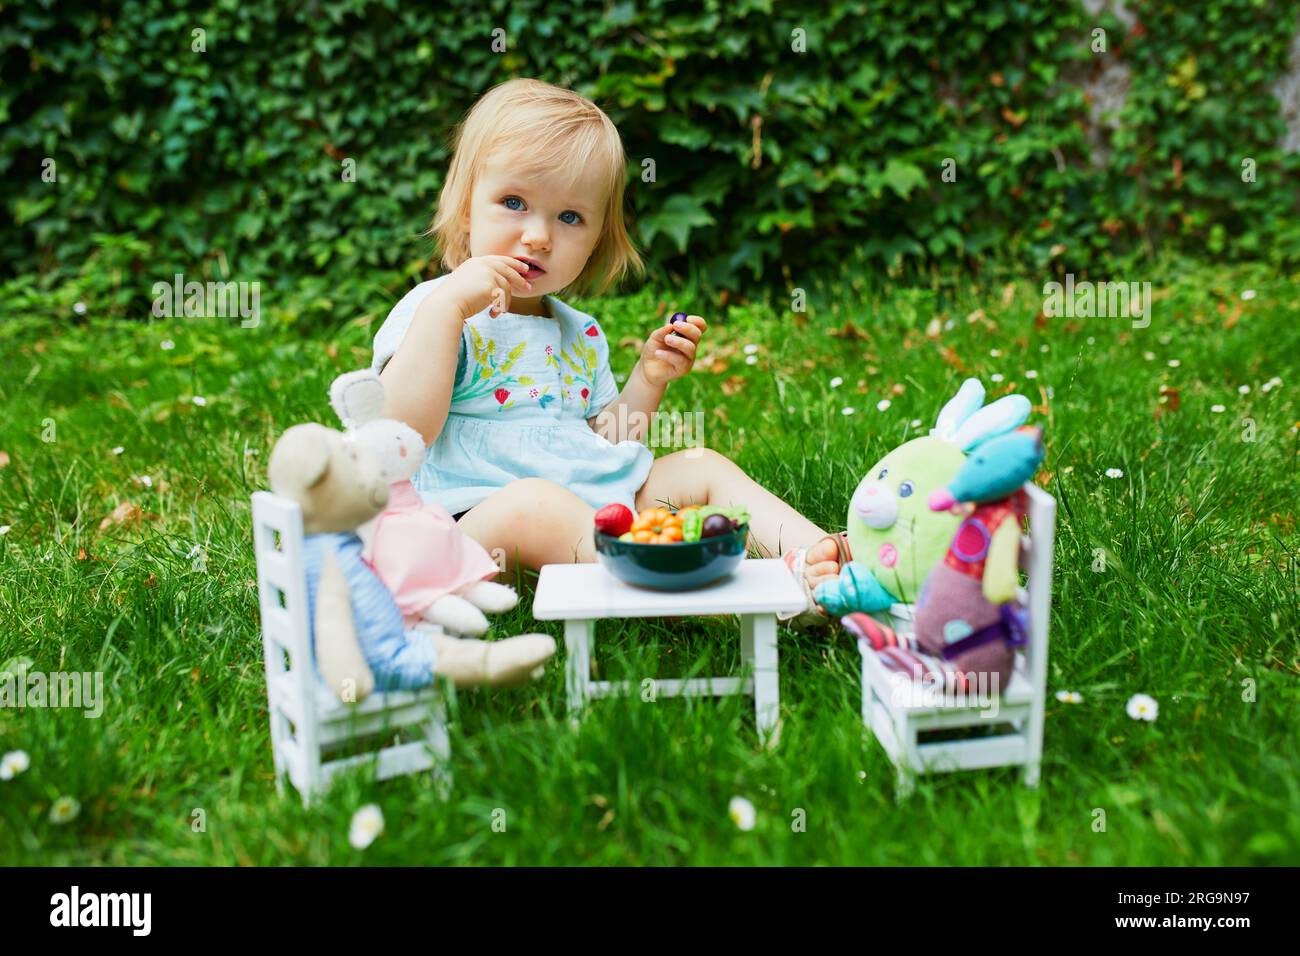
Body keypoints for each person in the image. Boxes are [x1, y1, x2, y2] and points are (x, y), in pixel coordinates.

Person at [374, 77, 846, 625]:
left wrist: (649, 379)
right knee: (535, 504)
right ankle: (730, 602)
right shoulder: (434, 308)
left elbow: (605, 444)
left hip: (592, 513)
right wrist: (449, 309)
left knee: (700, 465)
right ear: (465, 212)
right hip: (465, 534)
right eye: (514, 203)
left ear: (596, 238)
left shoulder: (579, 332)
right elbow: (399, 437)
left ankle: (832, 564)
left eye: (569, 217)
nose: (538, 236)